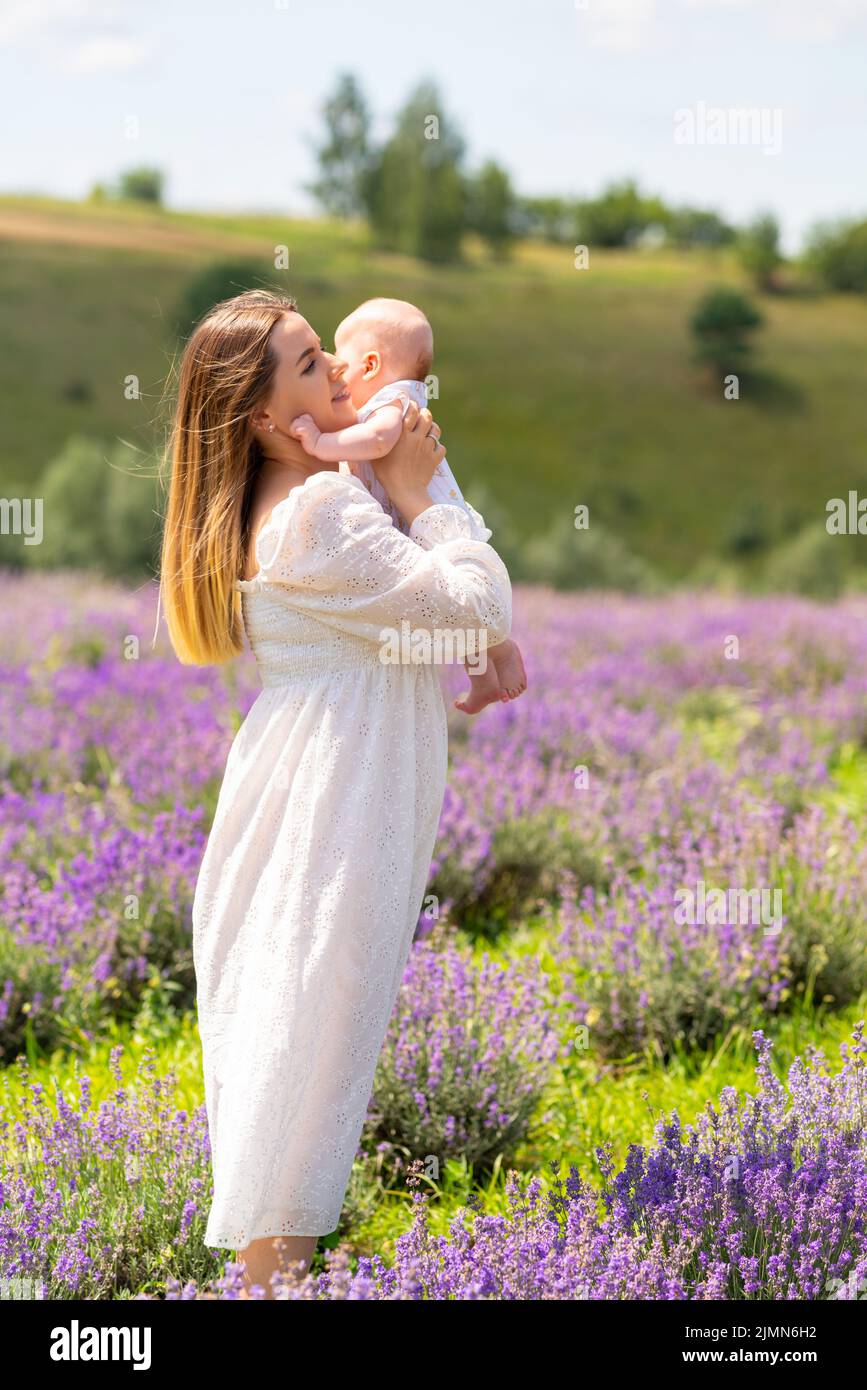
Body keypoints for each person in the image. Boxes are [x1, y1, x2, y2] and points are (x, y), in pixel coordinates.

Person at [158, 289, 514, 1297]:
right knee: (305, 1057)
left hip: (318, 786)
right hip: (332, 807)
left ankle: (273, 1281)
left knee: (302, 1046)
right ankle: (271, 1286)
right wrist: (424, 493)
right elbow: (473, 609)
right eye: (314, 363)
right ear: (268, 419)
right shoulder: (316, 508)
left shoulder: (315, 491)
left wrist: (402, 483)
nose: (344, 376)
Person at [290, 295, 527, 714]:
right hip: (420, 520)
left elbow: (378, 442)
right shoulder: (399, 401)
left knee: (465, 606)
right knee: (458, 614)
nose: (334, 373)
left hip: (426, 520)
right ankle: (485, 679)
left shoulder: (391, 404)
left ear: (370, 366)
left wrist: (319, 442)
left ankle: (501, 653)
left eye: (341, 364)